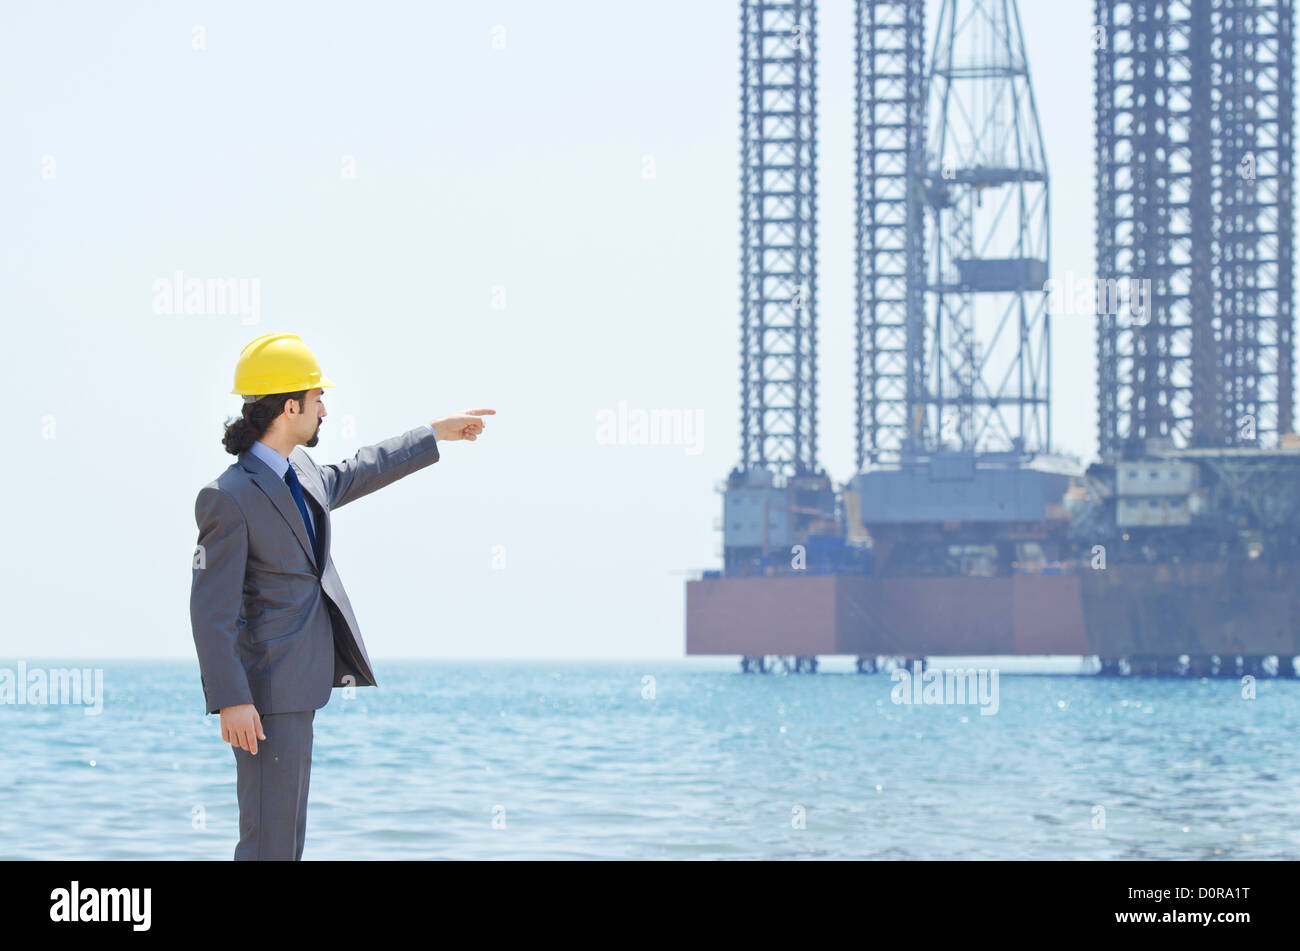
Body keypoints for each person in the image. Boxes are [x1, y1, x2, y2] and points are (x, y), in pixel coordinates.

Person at [189, 331, 494, 860]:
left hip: (301, 685)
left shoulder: (302, 472)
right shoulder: (228, 497)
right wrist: (232, 699)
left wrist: (434, 434)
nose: (324, 408)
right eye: (316, 399)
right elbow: (209, 611)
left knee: (285, 840)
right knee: (268, 840)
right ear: (290, 407)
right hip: (262, 696)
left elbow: (360, 470)